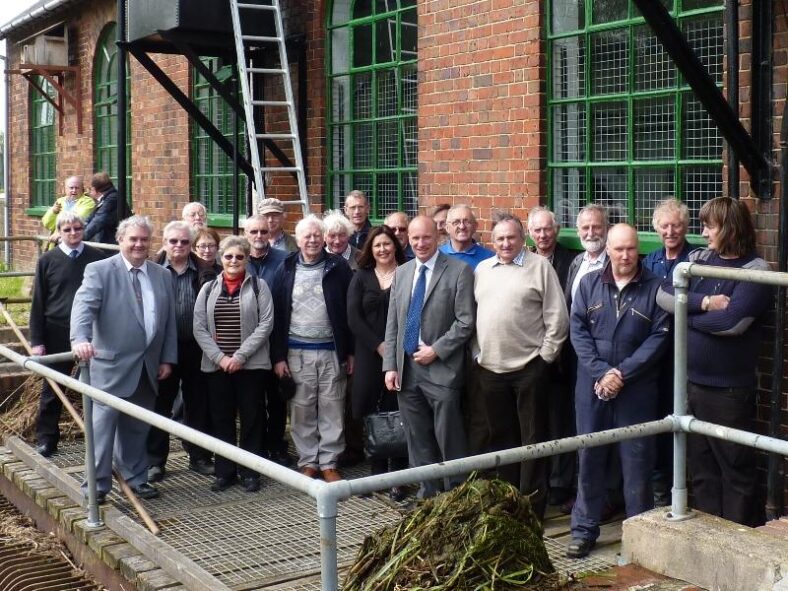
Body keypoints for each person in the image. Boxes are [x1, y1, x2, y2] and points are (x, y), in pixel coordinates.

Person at [657, 197, 772, 527]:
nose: (703, 232)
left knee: (735, 468)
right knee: (702, 468)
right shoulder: (698, 258)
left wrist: (686, 316)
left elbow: (733, 323)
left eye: (710, 226)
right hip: (691, 383)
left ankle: (736, 538)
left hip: (728, 392)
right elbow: (664, 295)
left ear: (730, 228)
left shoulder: (757, 270)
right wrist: (705, 302)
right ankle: (709, 534)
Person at [567, 224, 669, 558]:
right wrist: (601, 372)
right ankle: (583, 531)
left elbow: (659, 339)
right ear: (607, 249)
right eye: (619, 249)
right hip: (592, 387)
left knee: (637, 462)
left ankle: (638, 539)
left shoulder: (657, 289)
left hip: (636, 389)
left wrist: (621, 373)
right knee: (589, 458)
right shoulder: (588, 284)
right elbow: (578, 332)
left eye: (631, 249)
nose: (625, 256)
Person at [71, 215, 177, 503]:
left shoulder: (162, 275)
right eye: (133, 239)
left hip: (147, 367)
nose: (139, 244)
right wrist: (80, 339)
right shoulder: (100, 270)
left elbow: (167, 323)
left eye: (144, 239)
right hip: (109, 367)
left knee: (137, 427)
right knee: (101, 433)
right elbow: (84, 308)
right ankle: (96, 487)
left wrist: (167, 358)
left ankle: (135, 479)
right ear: (120, 241)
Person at [473, 213, 568, 519]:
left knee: (533, 440)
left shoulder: (539, 267)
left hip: (529, 367)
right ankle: (508, 502)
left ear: (522, 238)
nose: (505, 243)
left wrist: (545, 358)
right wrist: (477, 352)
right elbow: (474, 316)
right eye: (500, 238)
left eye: (511, 237)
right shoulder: (482, 269)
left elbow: (558, 317)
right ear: (492, 240)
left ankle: (532, 508)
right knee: (501, 437)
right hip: (490, 368)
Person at [383, 216, 475, 498]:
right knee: (417, 436)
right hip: (407, 368)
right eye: (415, 238)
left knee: (449, 436)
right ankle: (428, 493)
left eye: (426, 237)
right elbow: (393, 324)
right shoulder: (402, 272)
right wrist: (390, 366)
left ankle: (456, 493)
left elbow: (465, 322)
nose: (420, 243)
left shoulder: (459, 271)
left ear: (438, 236)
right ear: (408, 240)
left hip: (442, 368)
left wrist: (436, 350)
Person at [271, 215, 354, 482]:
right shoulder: (285, 268)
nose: (312, 240)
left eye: (317, 235)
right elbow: (277, 315)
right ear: (297, 238)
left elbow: (348, 313)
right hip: (296, 352)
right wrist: (278, 356)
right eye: (307, 236)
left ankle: (329, 462)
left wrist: (349, 351)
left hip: (331, 350)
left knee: (332, 407)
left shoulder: (338, 267)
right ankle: (308, 461)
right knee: (302, 408)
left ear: (324, 238)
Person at [193, 236, 275, 492]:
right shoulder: (208, 288)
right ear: (221, 259)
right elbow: (199, 326)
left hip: (250, 367)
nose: (233, 261)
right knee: (221, 419)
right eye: (228, 256)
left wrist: (239, 356)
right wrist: (221, 358)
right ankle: (224, 471)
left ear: (247, 259)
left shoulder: (259, 287)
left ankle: (250, 471)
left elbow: (266, 324)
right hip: (217, 367)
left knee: (252, 419)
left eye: (239, 257)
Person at [30, 212, 106, 457]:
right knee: (53, 388)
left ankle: (99, 439)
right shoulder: (47, 260)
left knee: (98, 386)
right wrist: (37, 341)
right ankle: (47, 438)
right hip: (57, 330)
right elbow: (38, 302)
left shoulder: (97, 259)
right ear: (59, 232)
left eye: (77, 229)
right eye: (67, 230)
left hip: (92, 331)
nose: (73, 234)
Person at [147, 221, 218, 483]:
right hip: (163, 347)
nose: (179, 246)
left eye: (184, 242)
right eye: (173, 241)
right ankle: (155, 461)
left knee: (197, 403)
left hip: (196, 347)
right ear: (164, 243)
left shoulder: (206, 270)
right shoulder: (152, 270)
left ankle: (198, 456)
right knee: (160, 404)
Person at [347, 225, 409, 500]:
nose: (383, 249)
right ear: (370, 250)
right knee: (370, 408)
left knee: (397, 411)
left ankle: (397, 476)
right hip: (368, 354)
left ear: (395, 245)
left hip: (401, 354)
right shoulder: (360, 277)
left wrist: (393, 348)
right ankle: (376, 473)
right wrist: (378, 345)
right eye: (377, 245)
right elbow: (353, 318)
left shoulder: (408, 273)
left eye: (387, 244)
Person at [642, 198, 693, 507]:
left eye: (676, 225)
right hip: (654, 355)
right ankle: (659, 487)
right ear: (656, 229)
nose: (671, 231)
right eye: (665, 225)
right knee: (657, 419)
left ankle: (681, 488)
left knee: (683, 418)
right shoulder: (650, 261)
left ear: (685, 227)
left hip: (683, 353)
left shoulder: (696, 258)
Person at [527, 206, 578, 507]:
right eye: (537, 230)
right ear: (530, 233)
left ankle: (560, 483)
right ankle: (539, 480)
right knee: (536, 421)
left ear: (556, 230)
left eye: (547, 229)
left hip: (560, 357)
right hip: (528, 357)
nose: (543, 235)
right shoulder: (524, 261)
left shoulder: (570, 261)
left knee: (561, 421)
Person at [242, 214, 290, 465]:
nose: (259, 237)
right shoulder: (237, 260)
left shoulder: (284, 261)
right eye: (254, 232)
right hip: (247, 344)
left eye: (263, 231)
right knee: (253, 399)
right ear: (246, 233)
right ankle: (256, 447)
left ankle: (277, 444)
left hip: (277, 339)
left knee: (278, 397)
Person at [566, 204, 609, 307]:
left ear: (607, 229)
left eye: (596, 227)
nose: (590, 233)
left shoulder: (615, 263)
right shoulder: (576, 262)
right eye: (585, 228)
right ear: (578, 231)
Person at [439, 205, 494, 270]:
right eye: (456, 222)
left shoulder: (489, 258)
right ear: (447, 228)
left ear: (475, 226)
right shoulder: (437, 255)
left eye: (467, 222)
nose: (462, 227)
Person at [83, 172, 120, 244]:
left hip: (114, 244)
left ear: (94, 189)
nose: (88, 192)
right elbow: (90, 218)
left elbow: (99, 219)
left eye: (89, 189)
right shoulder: (107, 198)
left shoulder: (112, 198)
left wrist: (81, 237)